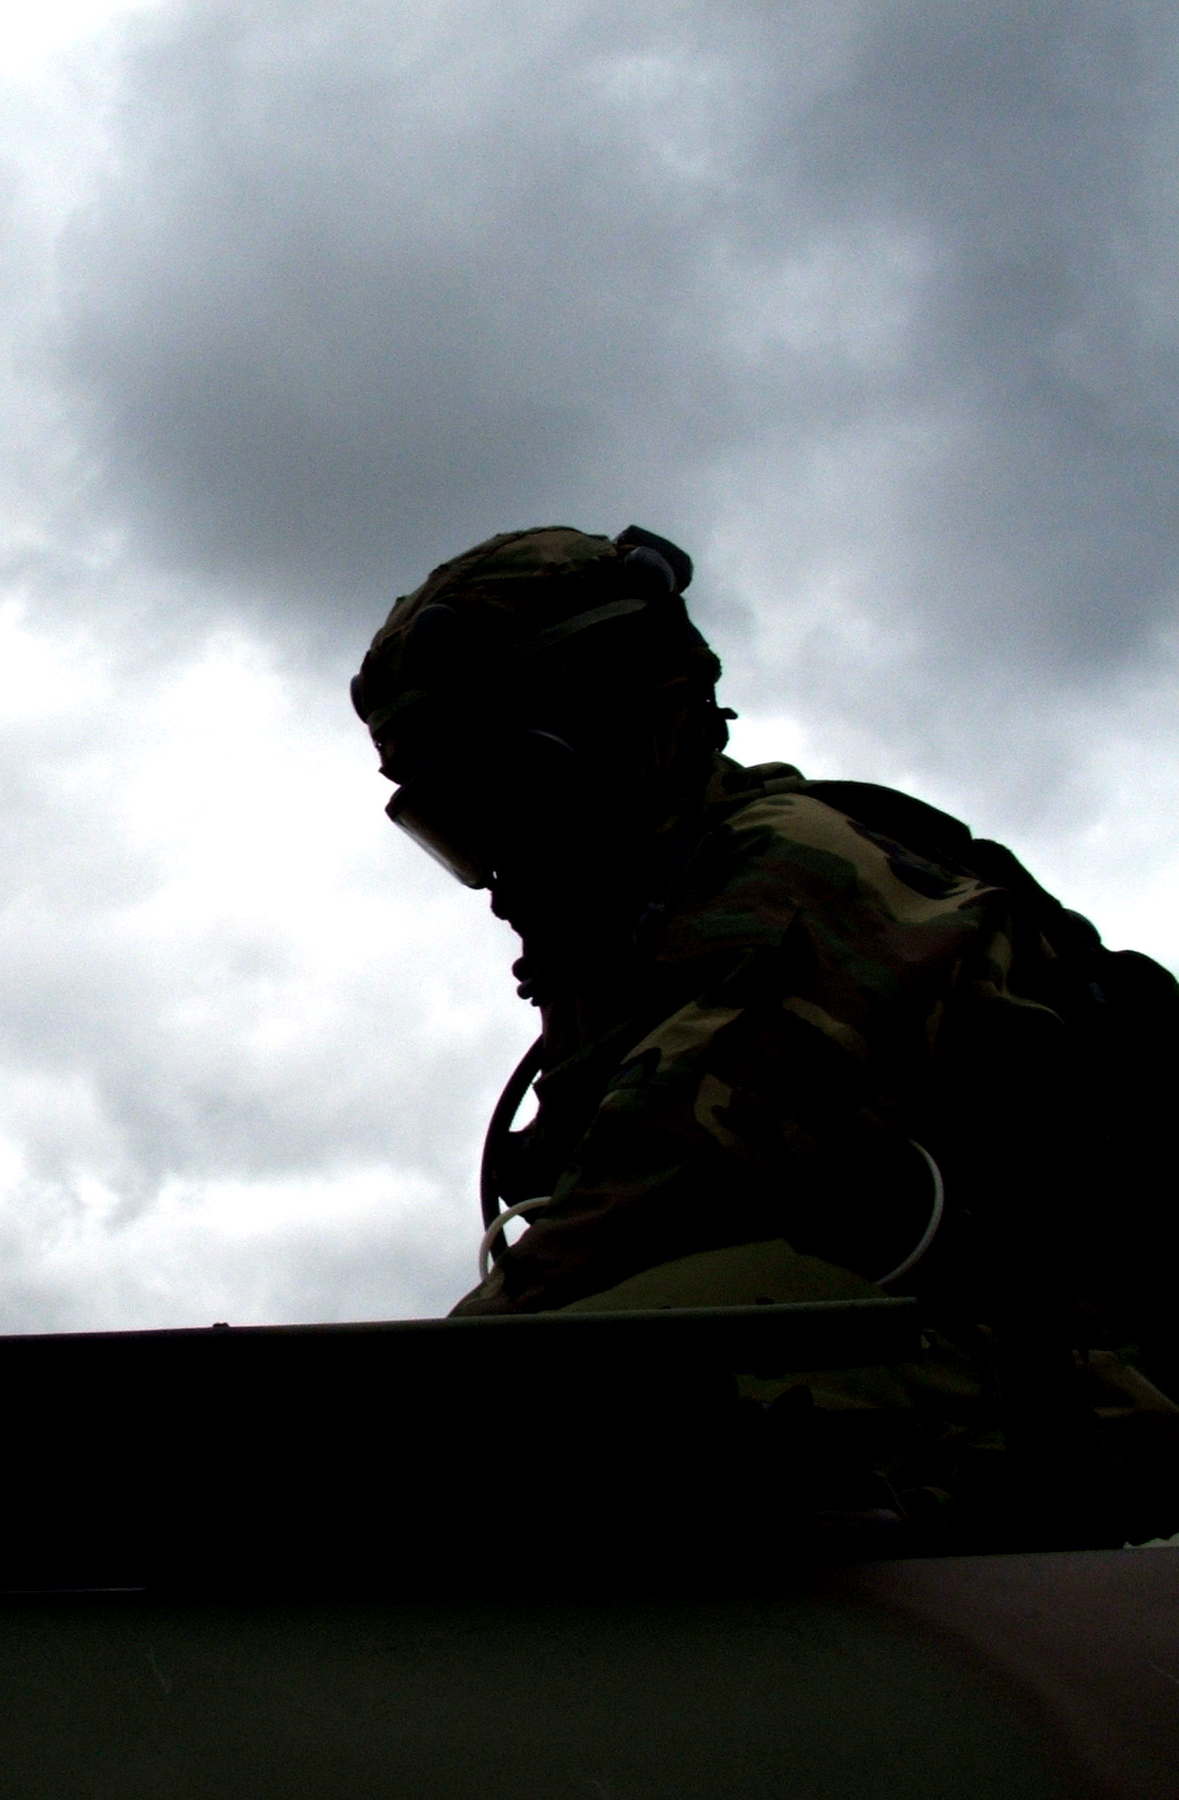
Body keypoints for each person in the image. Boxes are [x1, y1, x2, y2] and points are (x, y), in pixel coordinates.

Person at [351, 524, 1179, 1547]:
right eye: (455, 831)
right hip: (915, 1383)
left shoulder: (793, 879)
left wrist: (344, 1424)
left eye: (509, 796)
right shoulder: (640, 939)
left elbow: (658, 1198)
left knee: (540, 1409)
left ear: (625, 729)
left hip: (1054, 1398)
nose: (496, 866)